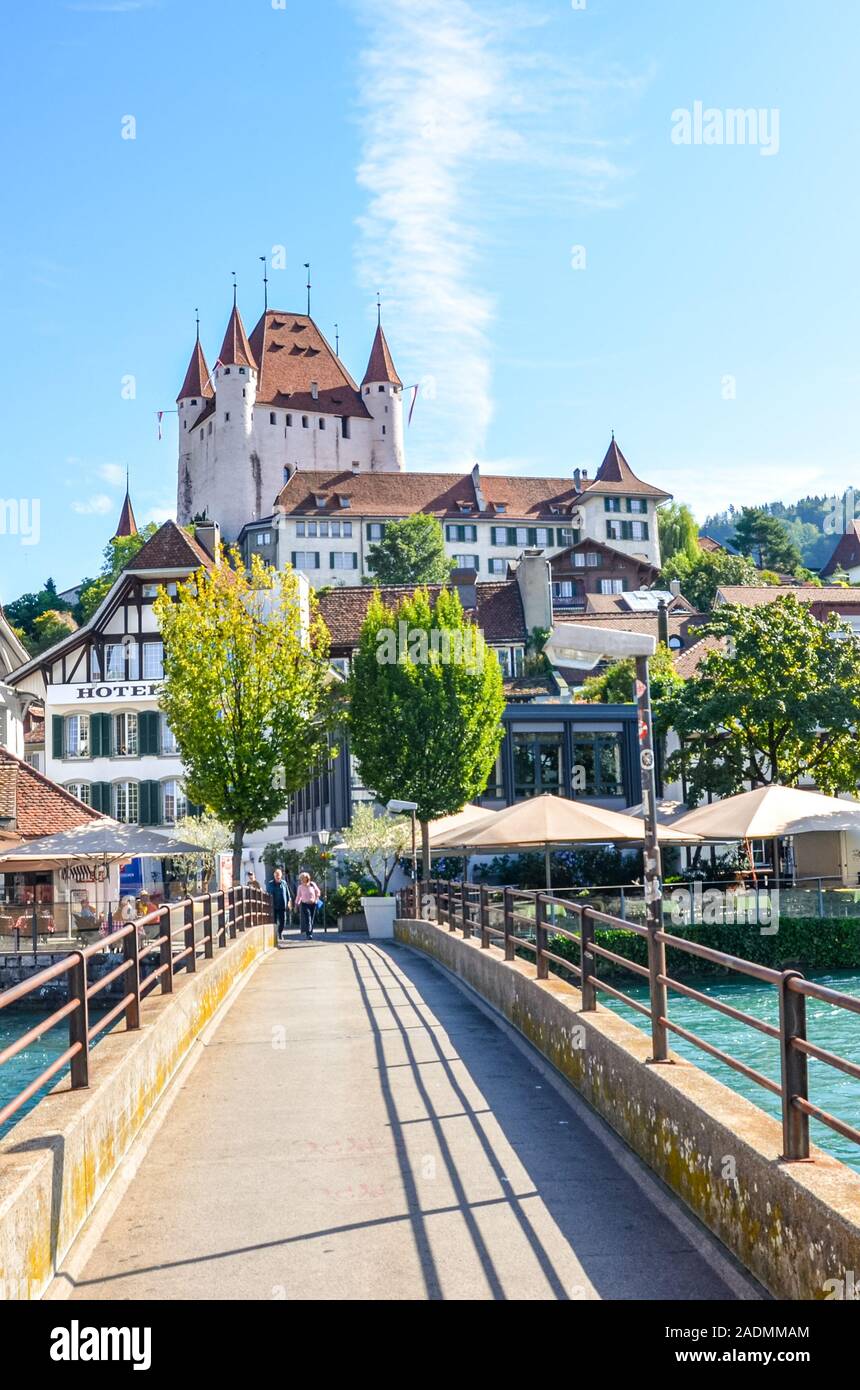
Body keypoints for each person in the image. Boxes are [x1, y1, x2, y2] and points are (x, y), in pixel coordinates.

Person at [267, 868, 292, 942]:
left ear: (281, 875)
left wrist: (289, 902)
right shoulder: (270, 883)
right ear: (274, 875)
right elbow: (267, 894)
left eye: (279, 875)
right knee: (274, 921)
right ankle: (275, 935)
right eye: (276, 875)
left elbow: (288, 894)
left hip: (282, 905)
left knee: (283, 921)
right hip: (273, 905)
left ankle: (280, 932)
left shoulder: (284, 883)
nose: (278, 876)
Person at [294, 872, 321, 939]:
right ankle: (308, 933)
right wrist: (296, 904)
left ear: (307, 878)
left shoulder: (312, 884)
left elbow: (318, 892)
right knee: (308, 918)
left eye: (303, 878)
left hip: (313, 904)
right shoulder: (300, 887)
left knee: (311, 919)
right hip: (304, 904)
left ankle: (309, 934)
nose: (302, 879)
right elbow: (298, 896)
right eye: (301, 878)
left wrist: (316, 899)